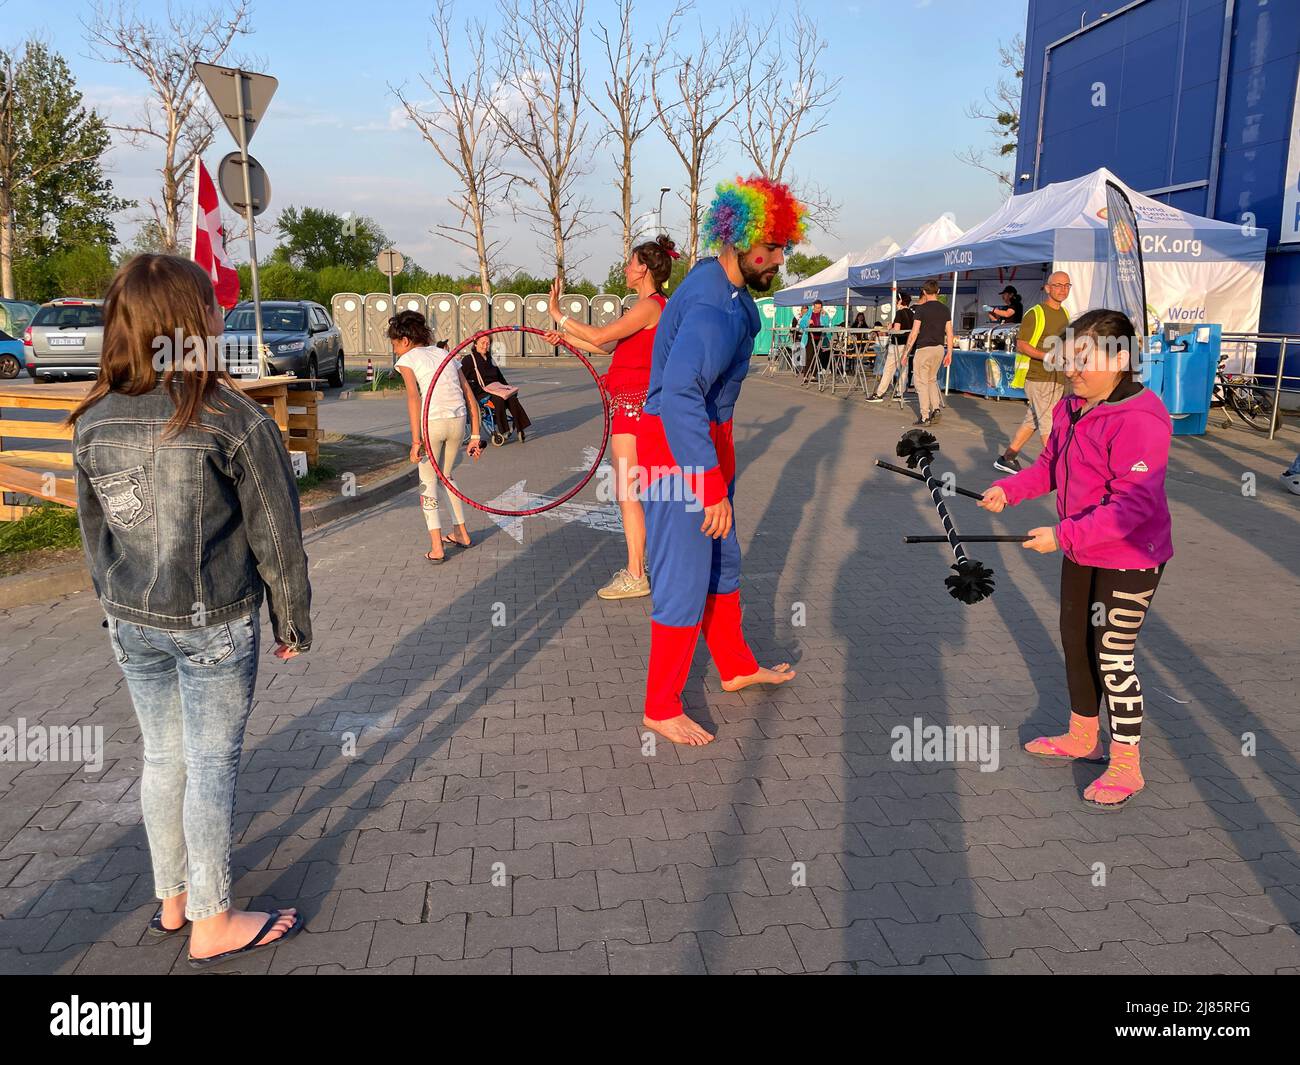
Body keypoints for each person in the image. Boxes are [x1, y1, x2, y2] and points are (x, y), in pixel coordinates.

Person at [67, 254, 311, 966]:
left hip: (131, 620)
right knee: (209, 765)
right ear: (190, 321)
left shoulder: (92, 419)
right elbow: (276, 528)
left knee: (164, 756)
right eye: (210, 306)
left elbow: (94, 532)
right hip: (212, 624)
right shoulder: (231, 416)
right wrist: (292, 617)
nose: (220, 315)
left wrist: (112, 604)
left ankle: (172, 900)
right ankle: (213, 920)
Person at [979, 309, 1173, 809]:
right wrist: (1008, 489)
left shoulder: (1142, 417)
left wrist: (1063, 536)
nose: (1072, 370)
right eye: (1068, 357)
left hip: (1130, 554)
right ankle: (1083, 736)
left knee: (1113, 654)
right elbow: (1048, 468)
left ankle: (1127, 764)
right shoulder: (1070, 406)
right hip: (1082, 545)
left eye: (1085, 360)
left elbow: (1133, 505)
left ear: (1122, 360)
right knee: (1076, 643)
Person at [637, 175, 802, 747]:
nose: (779, 259)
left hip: (704, 448)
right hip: (678, 455)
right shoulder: (712, 305)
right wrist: (707, 483)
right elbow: (680, 393)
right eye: (772, 248)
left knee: (722, 562)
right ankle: (660, 706)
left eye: (784, 247)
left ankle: (732, 667)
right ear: (738, 238)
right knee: (683, 577)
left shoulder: (722, 283)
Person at [545, 235, 677, 600]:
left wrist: (560, 315)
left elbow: (601, 334)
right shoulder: (645, 307)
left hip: (634, 411)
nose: (624, 268)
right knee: (633, 492)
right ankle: (643, 568)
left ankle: (637, 573)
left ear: (644, 269)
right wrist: (565, 338)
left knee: (629, 493)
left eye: (630, 262)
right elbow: (604, 346)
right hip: (632, 408)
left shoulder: (650, 306)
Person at [392, 311, 483, 563]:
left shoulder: (408, 359)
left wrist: (415, 441)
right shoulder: (444, 353)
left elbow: (414, 398)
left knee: (427, 482)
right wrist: (475, 434)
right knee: (448, 476)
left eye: (395, 345)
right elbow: (468, 392)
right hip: (457, 421)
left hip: (432, 423)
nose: (396, 350)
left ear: (405, 341)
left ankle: (437, 546)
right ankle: (461, 533)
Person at [995, 271, 1072, 473]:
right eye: (1058, 285)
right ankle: (1058, 468)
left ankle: (1007, 458)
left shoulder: (1064, 314)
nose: (1063, 289)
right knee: (1049, 423)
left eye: (1067, 285)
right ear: (1047, 288)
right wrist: (1045, 356)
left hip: (1057, 377)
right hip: (1039, 377)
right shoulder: (1035, 313)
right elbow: (1021, 345)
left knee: (1033, 420)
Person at [899, 280, 952, 425]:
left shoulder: (921, 309)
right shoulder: (945, 309)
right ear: (938, 291)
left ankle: (924, 416)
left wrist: (905, 353)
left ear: (924, 292)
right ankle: (936, 408)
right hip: (939, 349)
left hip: (924, 349)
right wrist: (950, 353)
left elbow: (914, 332)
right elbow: (949, 331)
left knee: (921, 382)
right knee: (932, 379)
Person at [462, 333, 532, 441]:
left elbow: (500, 376)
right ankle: (504, 430)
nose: (485, 345)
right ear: (475, 344)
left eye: (487, 343)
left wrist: (509, 389)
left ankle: (520, 428)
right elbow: (463, 380)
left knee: (512, 398)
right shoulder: (468, 359)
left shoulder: (490, 358)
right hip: (481, 391)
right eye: (482, 343)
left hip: (497, 388)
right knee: (499, 399)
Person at [866, 292, 914, 402]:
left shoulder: (899, 313)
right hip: (907, 344)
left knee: (888, 368)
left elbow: (896, 330)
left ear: (900, 301)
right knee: (903, 368)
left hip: (897, 343)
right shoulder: (912, 314)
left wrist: (889, 329)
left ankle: (879, 393)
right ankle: (900, 392)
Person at [797, 299, 832, 382]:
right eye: (816, 308)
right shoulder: (808, 314)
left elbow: (827, 325)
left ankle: (813, 375)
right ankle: (805, 376)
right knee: (809, 356)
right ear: (813, 307)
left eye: (819, 308)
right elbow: (801, 324)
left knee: (817, 356)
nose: (818, 309)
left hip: (820, 338)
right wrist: (808, 322)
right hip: (810, 337)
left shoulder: (824, 314)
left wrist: (824, 316)